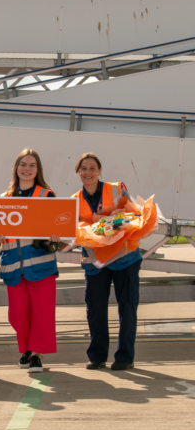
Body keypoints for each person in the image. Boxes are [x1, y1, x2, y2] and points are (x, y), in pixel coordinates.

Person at [0, 149, 61, 373]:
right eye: (23, 164)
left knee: (42, 312)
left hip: (40, 265)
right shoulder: (3, 199)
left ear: (38, 170)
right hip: (13, 266)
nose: (27, 169)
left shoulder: (47, 195)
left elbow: (57, 225)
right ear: (16, 168)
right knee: (17, 315)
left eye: (32, 165)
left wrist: (56, 234)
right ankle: (27, 348)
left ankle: (36, 354)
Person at [73, 153, 140, 371]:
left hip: (125, 258)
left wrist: (110, 221)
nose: (88, 173)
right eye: (84, 169)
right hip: (95, 262)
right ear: (78, 172)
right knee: (95, 309)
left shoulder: (117, 188)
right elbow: (72, 229)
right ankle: (97, 356)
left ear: (100, 171)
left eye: (92, 168)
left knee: (127, 307)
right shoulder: (74, 200)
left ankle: (125, 357)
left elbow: (135, 216)